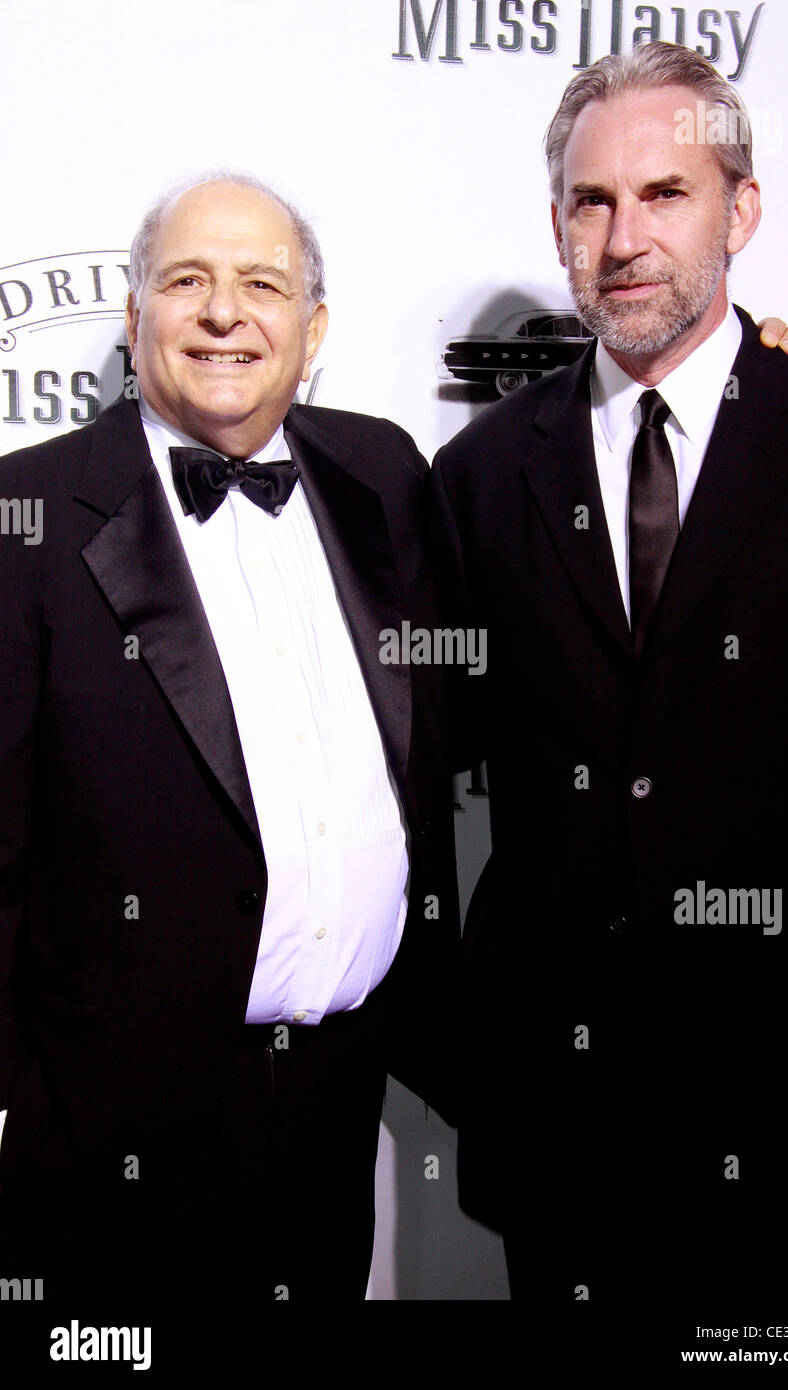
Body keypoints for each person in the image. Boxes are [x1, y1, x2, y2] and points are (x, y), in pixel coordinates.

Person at [430, 41, 788, 1323]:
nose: (622, 236)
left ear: (737, 211)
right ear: (558, 224)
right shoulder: (476, 476)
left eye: (663, 194)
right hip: (566, 1135)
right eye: (590, 200)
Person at [0, 172, 458, 1332]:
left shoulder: (388, 477)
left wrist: (772, 391)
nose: (223, 313)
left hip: (333, 1110)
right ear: (133, 315)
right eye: (187, 280)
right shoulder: (31, 516)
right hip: (108, 1135)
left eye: (262, 283)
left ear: (312, 330)